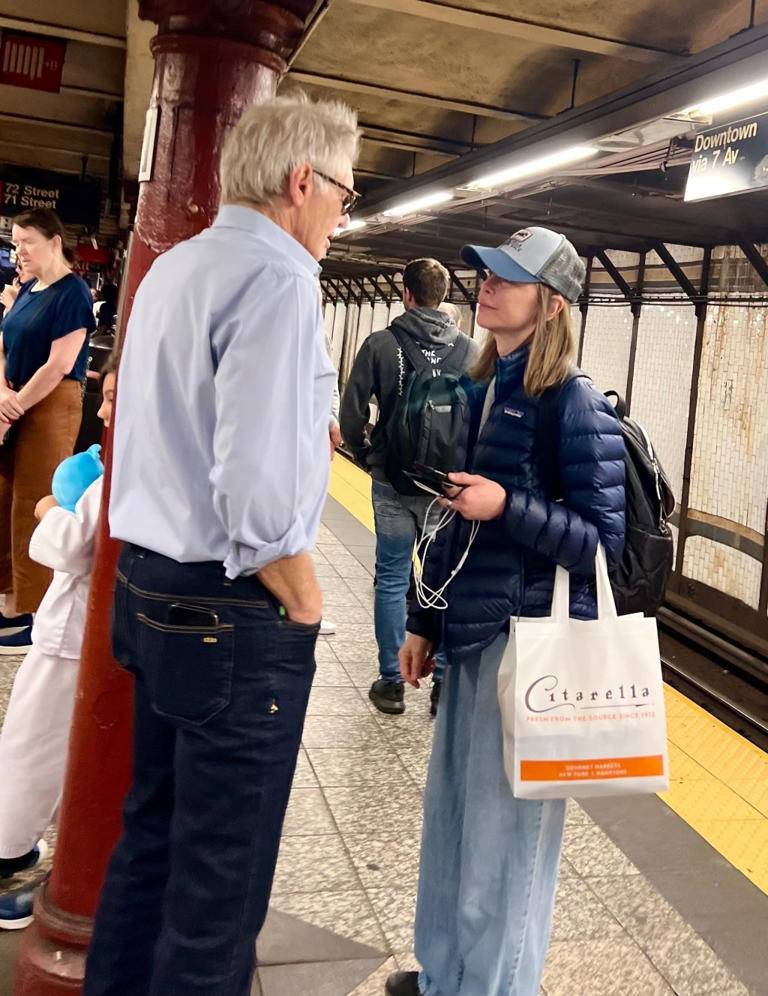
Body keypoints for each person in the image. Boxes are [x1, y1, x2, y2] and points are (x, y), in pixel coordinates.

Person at [83, 93, 360, 996]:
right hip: (231, 613)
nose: (342, 216)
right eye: (345, 195)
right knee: (219, 894)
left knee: (149, 843)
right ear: (300, 180)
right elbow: (256, 494)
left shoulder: (173, 265)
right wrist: (305, 591)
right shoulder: (279, 278)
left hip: (149, 587)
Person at [387, 227, 626, 996]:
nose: (485, 286)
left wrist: (509, 506)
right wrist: (424, 620)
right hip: (475, 632)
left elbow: (602, 543)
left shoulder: (573, 402)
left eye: (506, 279)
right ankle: (443, 977)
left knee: (508, 843)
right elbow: (457, 519)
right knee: (453, 822)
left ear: (550, 304)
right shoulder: (489, 385)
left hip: (530, 648)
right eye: (485, 274)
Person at [0, 353, 117, 930]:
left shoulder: (122, 468)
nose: (105, 408)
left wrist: (49, 506)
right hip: (89, 633)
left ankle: (7, 850)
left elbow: (74, 548)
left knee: (31, 739)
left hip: (73, 633)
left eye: (117, 397)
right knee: (40, 740)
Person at [340, 258, 477, 717]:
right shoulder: (473, 351)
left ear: (406, 294)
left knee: (393, 577)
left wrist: (365, 453)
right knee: (446, 579)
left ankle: (392, 681)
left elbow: (351, 412)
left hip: (393, 481)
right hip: (448, 490)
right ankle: (442, 683)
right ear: (444, 296)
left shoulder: (381, 344)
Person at [0, 209, 95, 653]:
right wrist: (2, 391)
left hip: (48, 403)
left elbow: (59, 364)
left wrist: (14, 405)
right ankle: (6, 601)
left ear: (55, 241)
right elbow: (4, 344)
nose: (19, 251)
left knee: (31, 500)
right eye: (16, 243)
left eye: (27, 242)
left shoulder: (72, 292)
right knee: (2, 496)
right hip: (13, 399)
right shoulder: (25, 291)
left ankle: (33, 612)